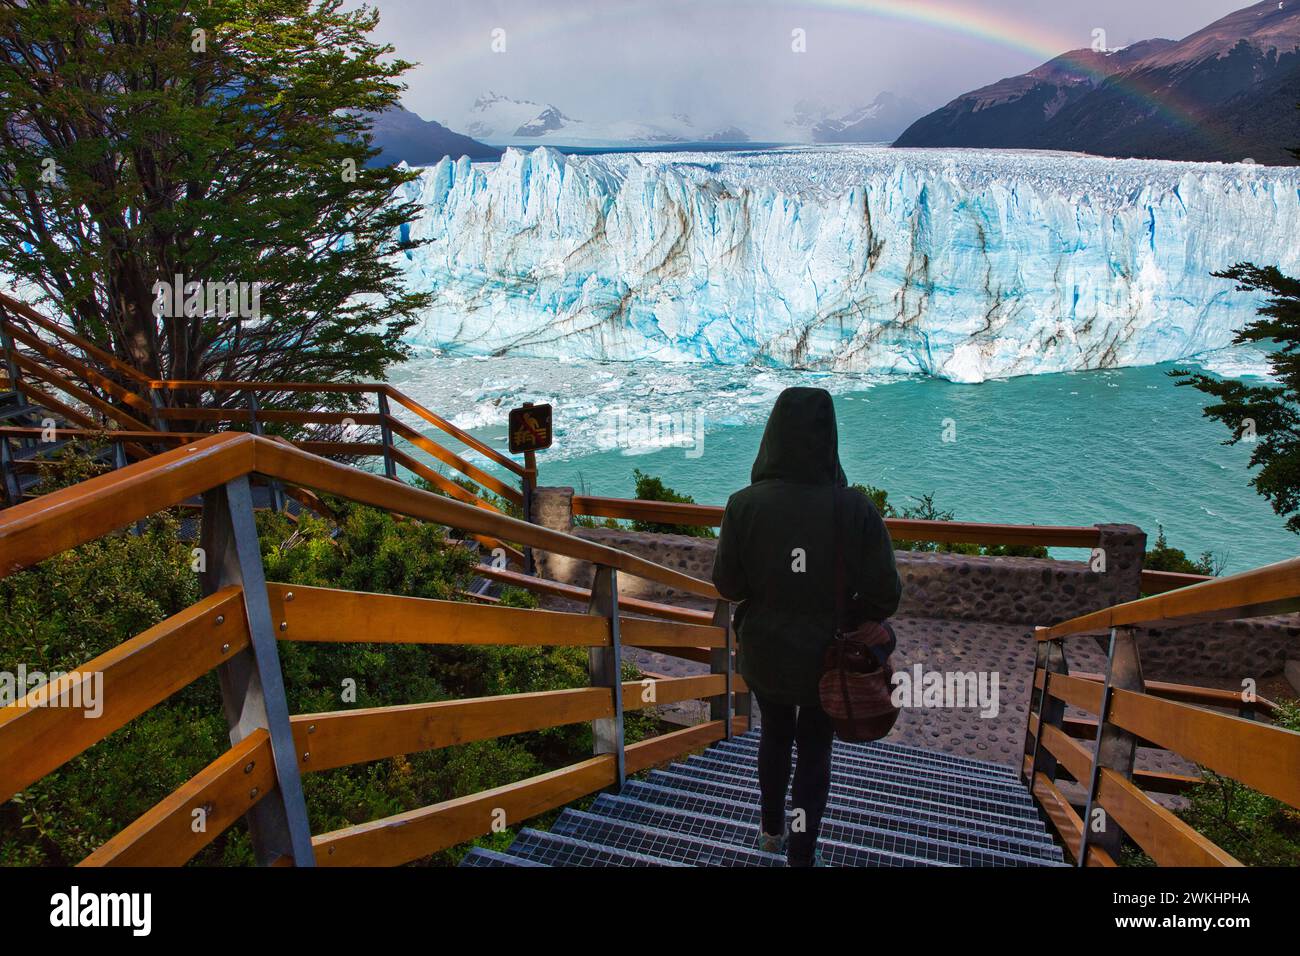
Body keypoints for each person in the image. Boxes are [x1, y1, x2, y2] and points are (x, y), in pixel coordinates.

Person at [711, 386, 902, 867]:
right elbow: (886, 595)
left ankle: (770, 831)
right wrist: (846, 613)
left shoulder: (743, 505)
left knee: (775, 735)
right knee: (815, 749)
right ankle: (802, 851)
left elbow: (728, 585)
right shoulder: (854, 508)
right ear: (829, 437)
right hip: (827, 660)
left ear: (772, 435)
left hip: (765, 655)